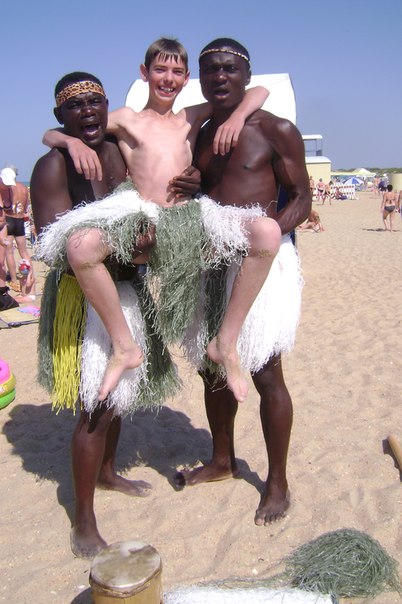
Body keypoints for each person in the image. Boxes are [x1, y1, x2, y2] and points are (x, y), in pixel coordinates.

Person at [41, 37, 280, 404]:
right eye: (160, 70)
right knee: (81, 248)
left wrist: (235, 118)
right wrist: (70, 144)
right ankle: (124, 346)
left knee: (266, 232)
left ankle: (225, 342)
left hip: (191, 217)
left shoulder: (190, 117)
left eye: (177, 72)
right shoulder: (126, 119)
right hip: (147, 217)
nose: (168, 78)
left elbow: (259, 91)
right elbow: (52, 133)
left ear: (186, 78)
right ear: (145, 72)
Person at [31, 71, 196, 560]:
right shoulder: (52, 166)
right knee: (97, 404)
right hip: (83, 300)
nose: (87, 111)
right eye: (74, 106)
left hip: (127, 289)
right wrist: (132, 247)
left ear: (107, 109)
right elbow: (55, 249)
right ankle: (83, 519)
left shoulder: (114, 153)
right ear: (59, 116)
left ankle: (106, 473)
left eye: (94, 102)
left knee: (119, 396)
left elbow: (148, 196)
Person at [176, 38, 311, 526]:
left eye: (230, 69)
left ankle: (277, 481)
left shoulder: (276, 129)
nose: (220, 77)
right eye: (211, 69)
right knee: (210, 369)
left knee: (267, 372)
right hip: (210, 262)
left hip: (261, 266)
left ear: (247, 76)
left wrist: (268, 235)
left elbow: (302, 197)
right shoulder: (198, 133)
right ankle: (222, 459)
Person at [0, 167, 35, 292]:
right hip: (19, 221)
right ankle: (31, 275)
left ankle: (14, 280)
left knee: (9, 252)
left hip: (9, 220)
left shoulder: (9, 189)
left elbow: (5, 208)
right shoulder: (23, 188)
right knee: (24, 251)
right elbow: (25, 208)